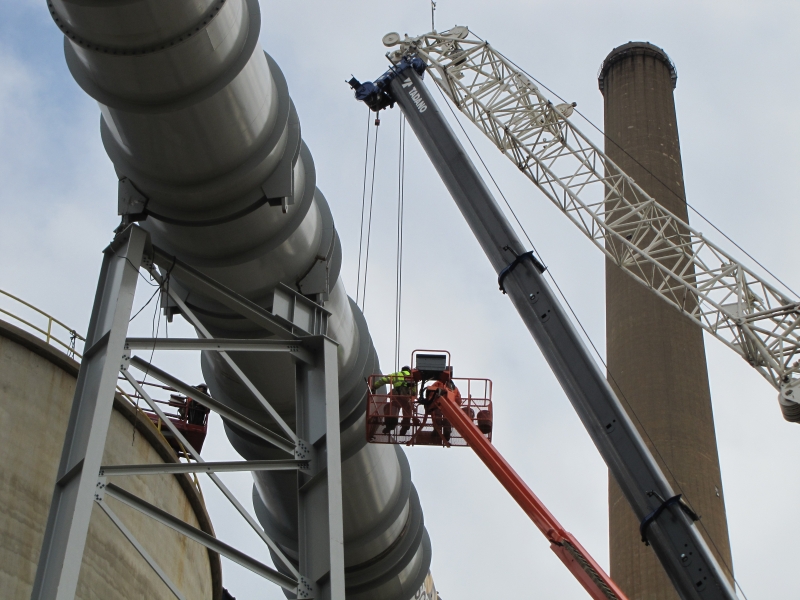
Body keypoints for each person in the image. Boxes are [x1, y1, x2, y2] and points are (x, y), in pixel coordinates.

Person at [372, 367, 417, 435]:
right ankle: (405, 426)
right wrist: (412, 395)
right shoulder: (411, 376)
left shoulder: (396, 375)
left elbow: (383, 380)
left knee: (390, 408)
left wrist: (375, 386)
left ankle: (390, 425)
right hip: (406, 397)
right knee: (407, 410)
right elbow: (414, 391)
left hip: (396, 396)